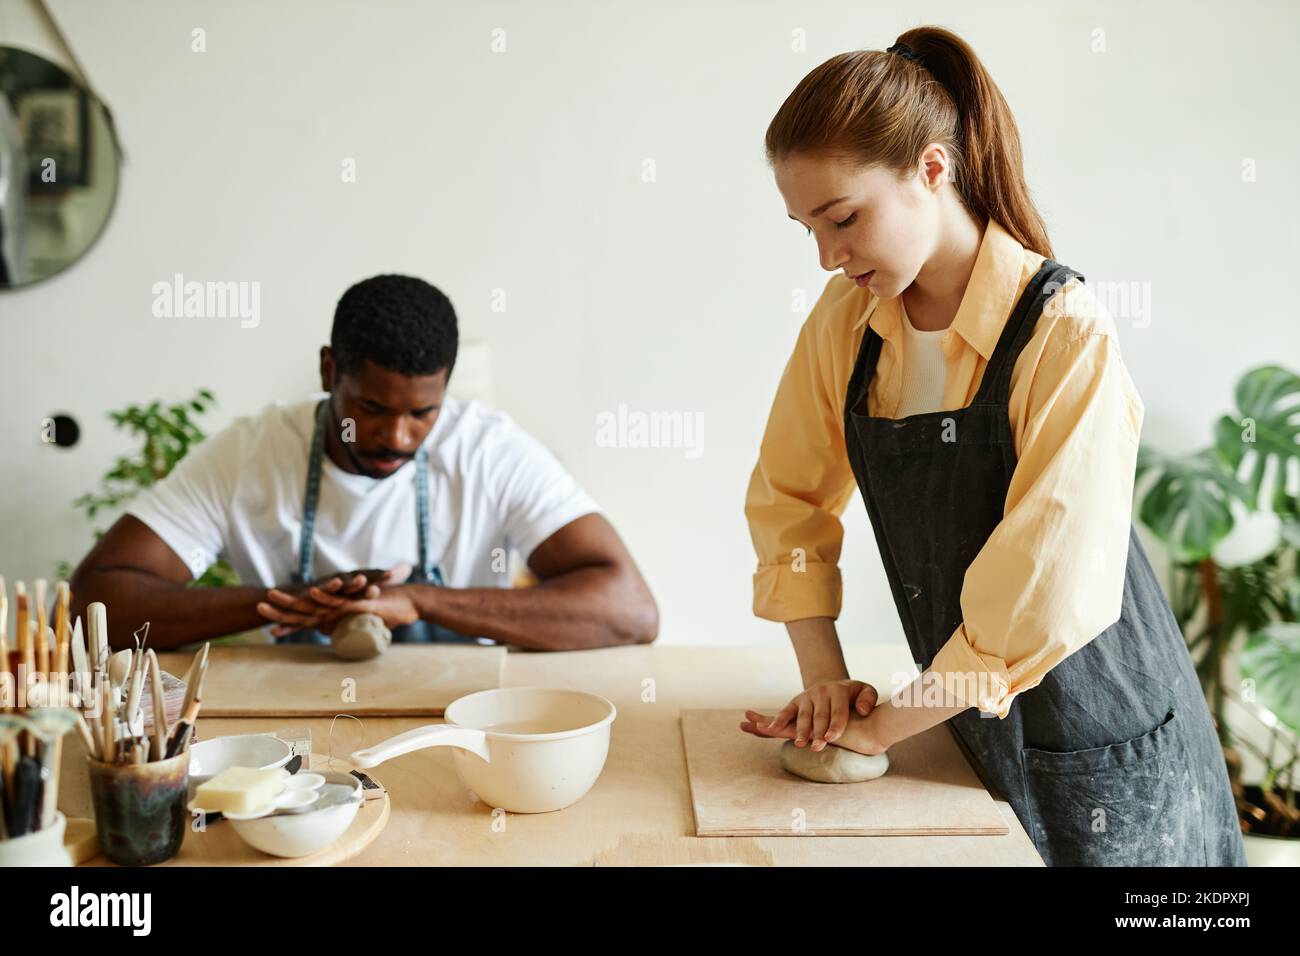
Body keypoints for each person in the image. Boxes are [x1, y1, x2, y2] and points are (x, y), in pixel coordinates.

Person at [740, 27, 1245, 866]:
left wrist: (884, 722)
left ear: (933, 170)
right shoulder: (846, 327)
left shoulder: (1062, 331)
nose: (829, 257)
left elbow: (1045, 593)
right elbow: (788, 499)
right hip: (965, 733)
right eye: (808, 231)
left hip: (1109, 744)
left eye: (843, 219)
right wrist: (826, 683)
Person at [71, 274, 658, 652]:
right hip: (298, 724)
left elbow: (631, 612)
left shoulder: (490, 451)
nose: (396, 437)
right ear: (330, 372)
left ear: (447, 390)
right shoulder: (251, 454)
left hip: (462, 716)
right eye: (372, 408)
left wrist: (424, 600)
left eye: (423, 413)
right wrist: (286, 600)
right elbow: (92, 604)